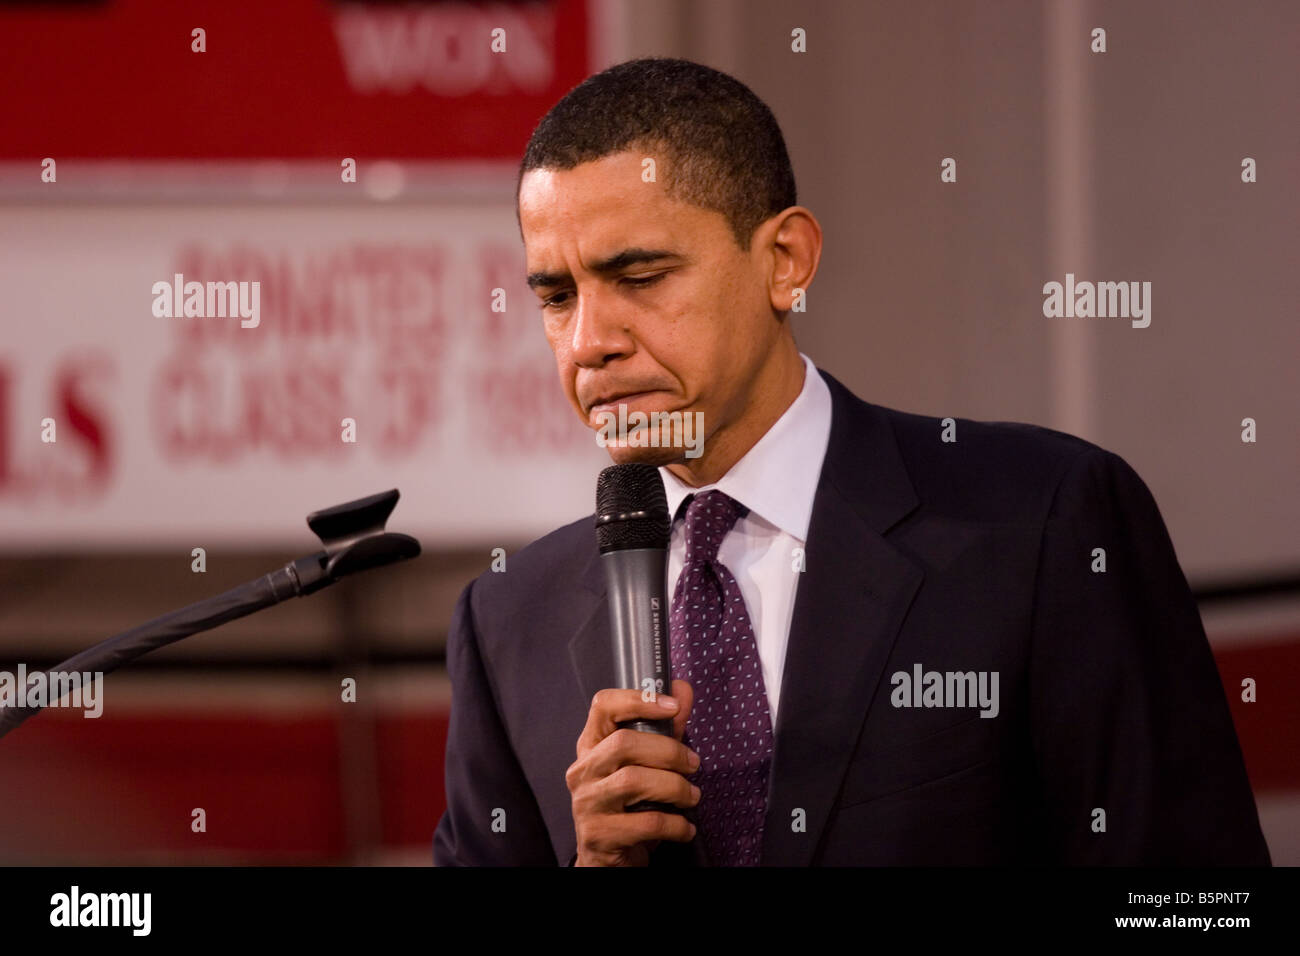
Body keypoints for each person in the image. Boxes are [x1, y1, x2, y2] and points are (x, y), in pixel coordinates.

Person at [432, 56, 1270, 866]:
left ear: (786, 262)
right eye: (556, 296)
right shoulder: (507, 626)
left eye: (641, 276)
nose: (589, 343)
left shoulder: (1045, 522)